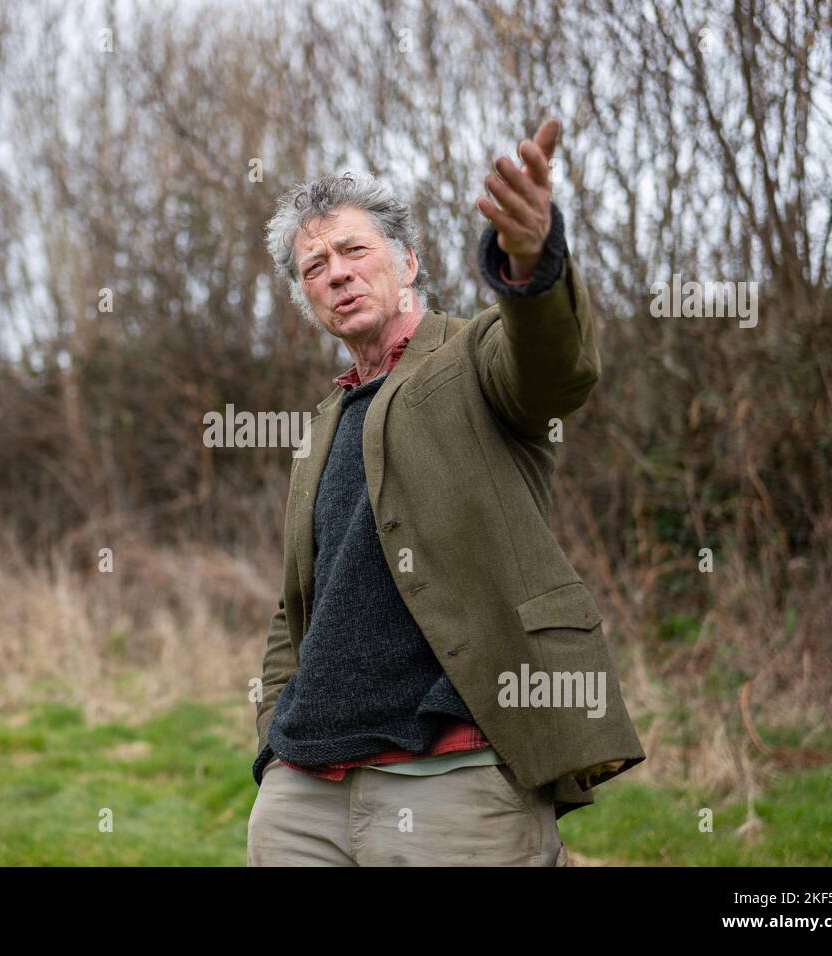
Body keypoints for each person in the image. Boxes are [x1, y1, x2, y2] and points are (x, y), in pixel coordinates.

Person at [247, 119, 645, 866]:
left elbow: (554, 371)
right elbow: (294, 603)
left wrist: (530, 262)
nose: (337, 272)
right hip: (305, 790)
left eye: (355, 250)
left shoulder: (473, 357)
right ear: (306, 299)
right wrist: (272, 742)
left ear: (408, 260)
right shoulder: (324, 424)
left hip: (453, 773)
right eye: (314, 266)